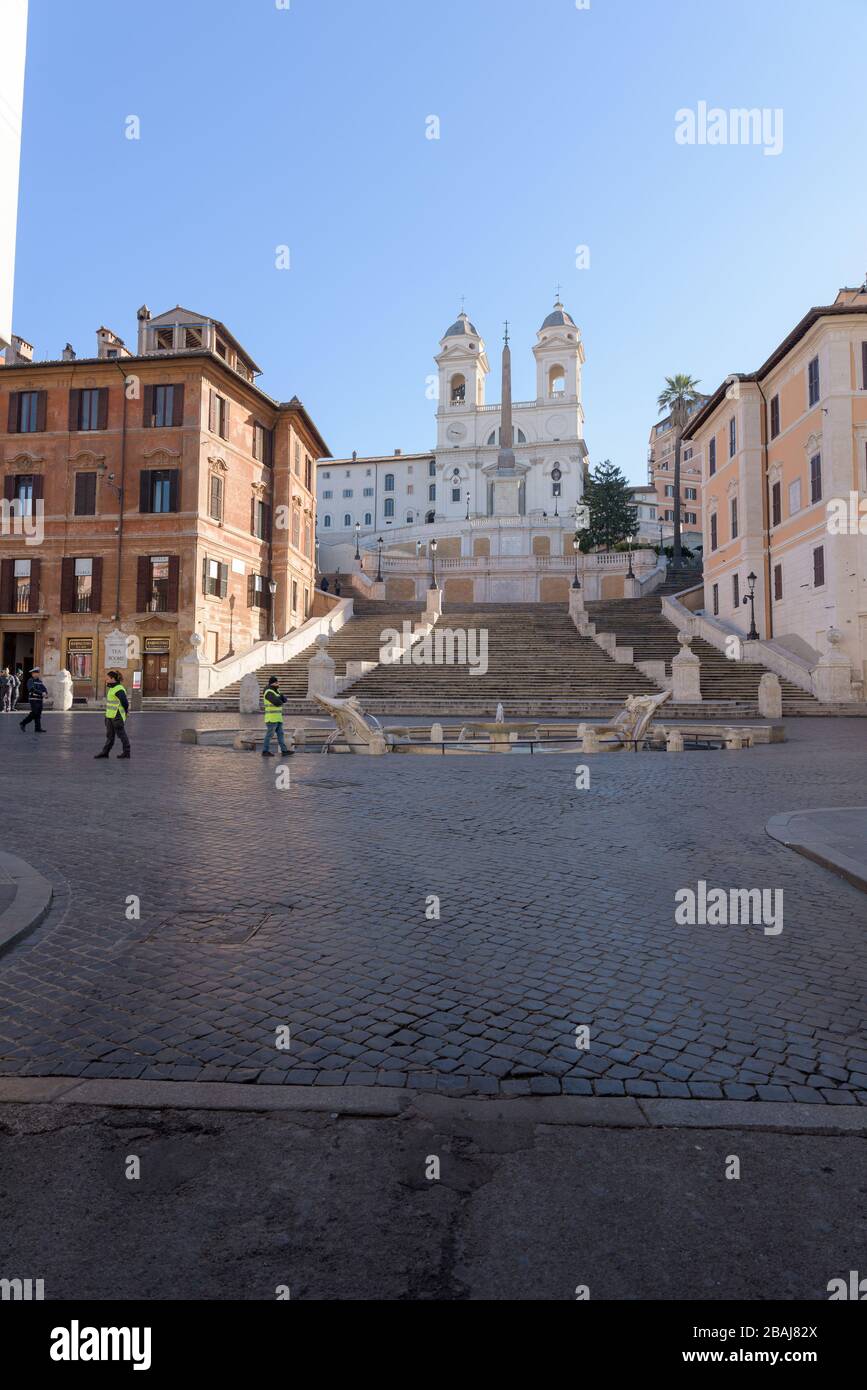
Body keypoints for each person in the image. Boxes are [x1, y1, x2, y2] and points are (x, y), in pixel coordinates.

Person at [94, 669, 131, 760]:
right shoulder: (112, 688)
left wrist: (126, 712)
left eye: (107, 678)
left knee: (121, 735)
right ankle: (105, 752)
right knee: (110, 736)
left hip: (117, 716)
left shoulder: (119, 689)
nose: (105, 680)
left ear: (113, 679)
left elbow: (125, 702)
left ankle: (126, 752)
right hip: (110, 716)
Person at [261, 676, 292, 758]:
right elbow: (278, 702)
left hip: (278, 718)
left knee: (281, 735)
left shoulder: (276, 691)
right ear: (273, 683)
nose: (278, 684)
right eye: (277, 682)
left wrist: (280, 698)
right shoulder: (268, 692)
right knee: (269, 735)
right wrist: (280, 698)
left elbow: (285, 699)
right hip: (271, 718)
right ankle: (265, 751)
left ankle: (284, 751)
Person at [19, 667, 48, 733]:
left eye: (37, 673)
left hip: (39, 699)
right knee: (34, 713)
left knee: (38, 714)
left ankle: (37, 728)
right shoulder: (30, 681)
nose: (36, 674)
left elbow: (44, 688)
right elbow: (31, 689)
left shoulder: (40, 681)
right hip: (33, 699)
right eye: (35, 673)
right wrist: (41, 693)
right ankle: (23, 723)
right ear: (32, 674)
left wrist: (46, 693)